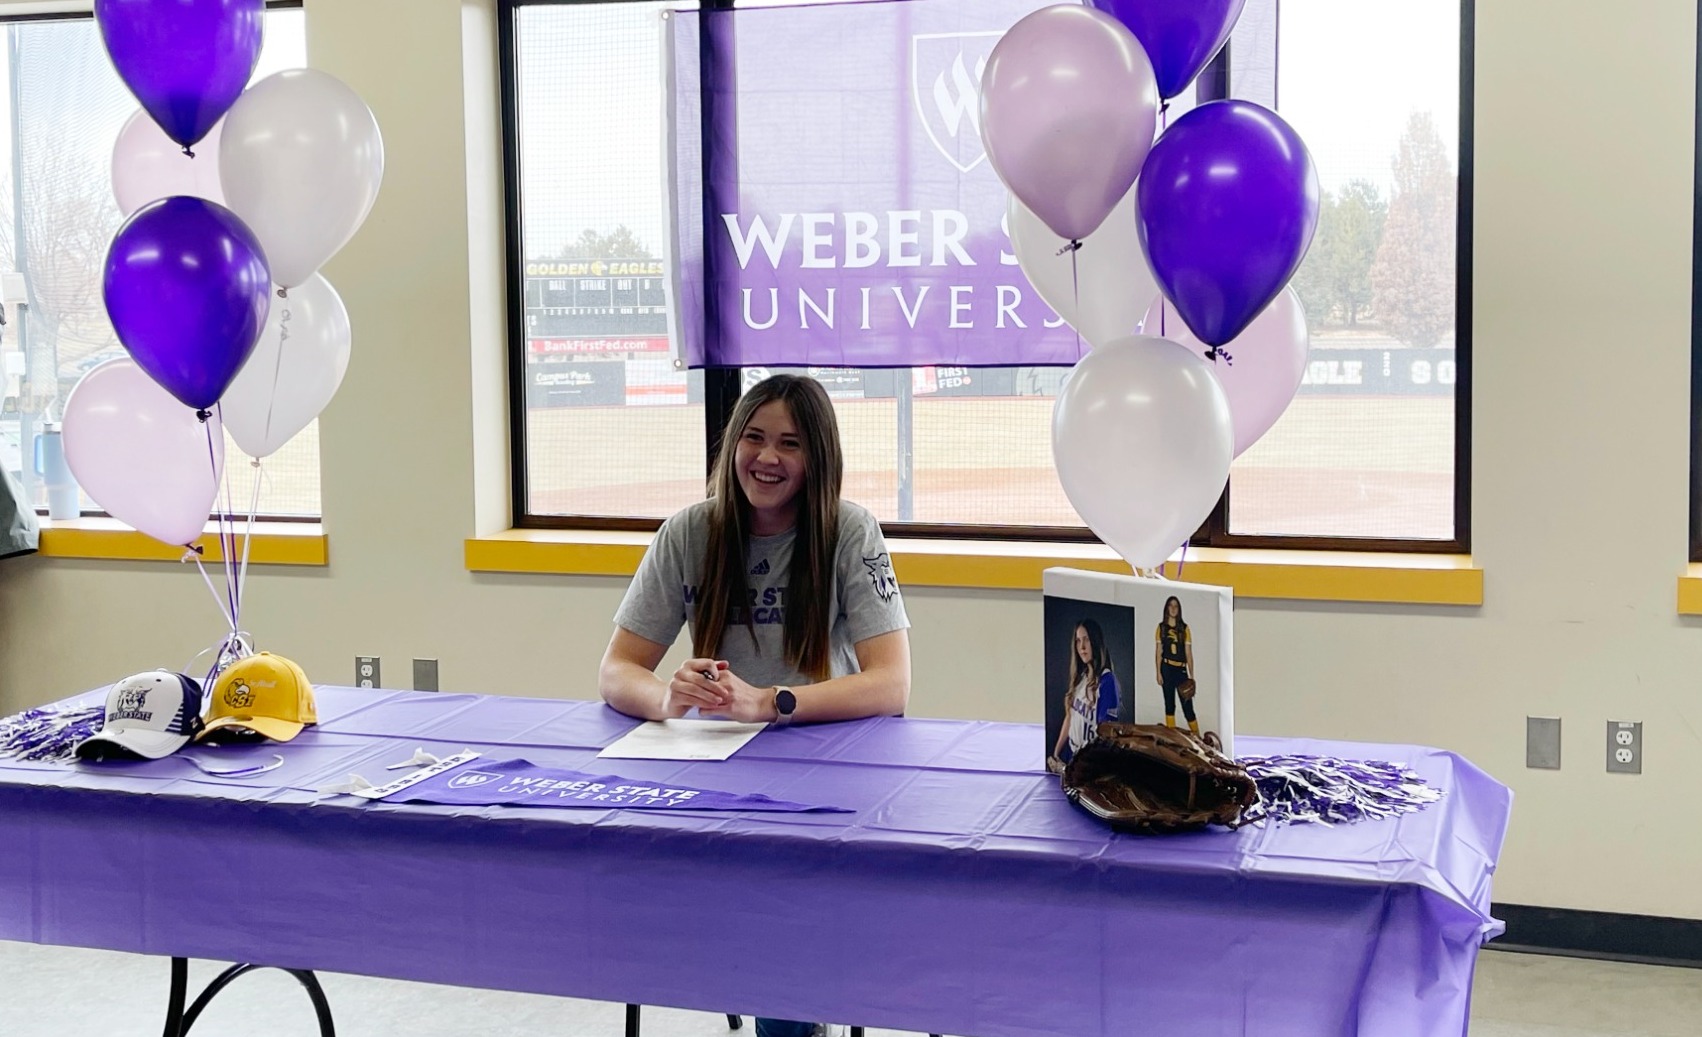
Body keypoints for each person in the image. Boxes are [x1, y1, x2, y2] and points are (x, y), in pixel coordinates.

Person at [599, 374, 911, 1037]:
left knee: (780, 908)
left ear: (816, 458)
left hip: (828, 766)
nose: (767, 458)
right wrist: (669, 697)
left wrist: (770, 702)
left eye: (790, 444)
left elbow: (890, 683)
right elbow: (617, 670)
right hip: (719, 773)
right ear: (732, 444)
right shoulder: (689, 531)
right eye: (755, 437)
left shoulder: (850, 531)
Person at [1049, 619, 1119, 773]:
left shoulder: (1107, 681)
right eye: (1078, 641)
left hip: (1089, 765)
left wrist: (1077, 769)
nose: (1082, 647)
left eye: (1086, 639)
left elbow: (1104, 736)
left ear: (1095, 641)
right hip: (1071, 754)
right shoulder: (1081, 677)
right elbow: (1070, 717)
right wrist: (1056, 753)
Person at [1155, 595, 1197, 733]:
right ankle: (1172, 736)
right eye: (1171, 606)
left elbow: (1188, 653)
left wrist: (1192, 675)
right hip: (1166, 668)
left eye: (1176, 606)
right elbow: (1159, 651)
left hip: (1181, 670)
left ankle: (1198, 736)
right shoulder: (1161, 628)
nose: (1173, 609)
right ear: (1167, 608)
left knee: (1187, 707)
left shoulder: (1184, 629)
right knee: (1169, 704)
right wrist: (1158, 672)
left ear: (1179, 609)